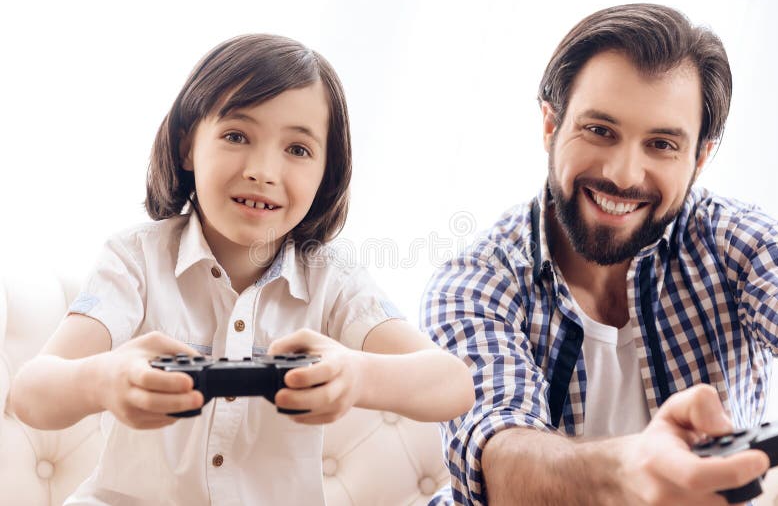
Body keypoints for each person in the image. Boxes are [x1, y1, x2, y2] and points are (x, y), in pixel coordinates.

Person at [10, 34, 474, 505]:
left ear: (325, 173)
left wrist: (359, 376)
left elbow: (453, 385)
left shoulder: (334, 280)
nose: (263, 170)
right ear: (189, 145)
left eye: (298, 149)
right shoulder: (135, 259)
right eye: (236, 136)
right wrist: (104, 380)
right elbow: (30, 393)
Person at [423, 3, 778, 505]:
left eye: (662, 144)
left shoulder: (740, 243)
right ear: (550, 126)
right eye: (600, 131)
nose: (624, 175)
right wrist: (635, 470)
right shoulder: (476, 284)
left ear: (700, 159)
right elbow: (501, 469)